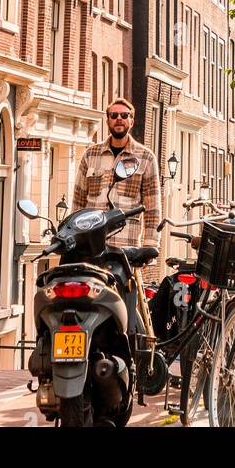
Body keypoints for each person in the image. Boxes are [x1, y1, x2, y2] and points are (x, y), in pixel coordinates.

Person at [72, 98, 161, 332]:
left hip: (125, 248)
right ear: (107, 119)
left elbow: (152, 206)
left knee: (126, 306)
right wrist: (72, 235)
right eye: (114, 115)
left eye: (124, 115)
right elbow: (78, 201)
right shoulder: (90, 156)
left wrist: (151, 243)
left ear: (132, 120)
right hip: (91, 247)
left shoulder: (145, 157)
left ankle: (132, 346)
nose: (118, 120)